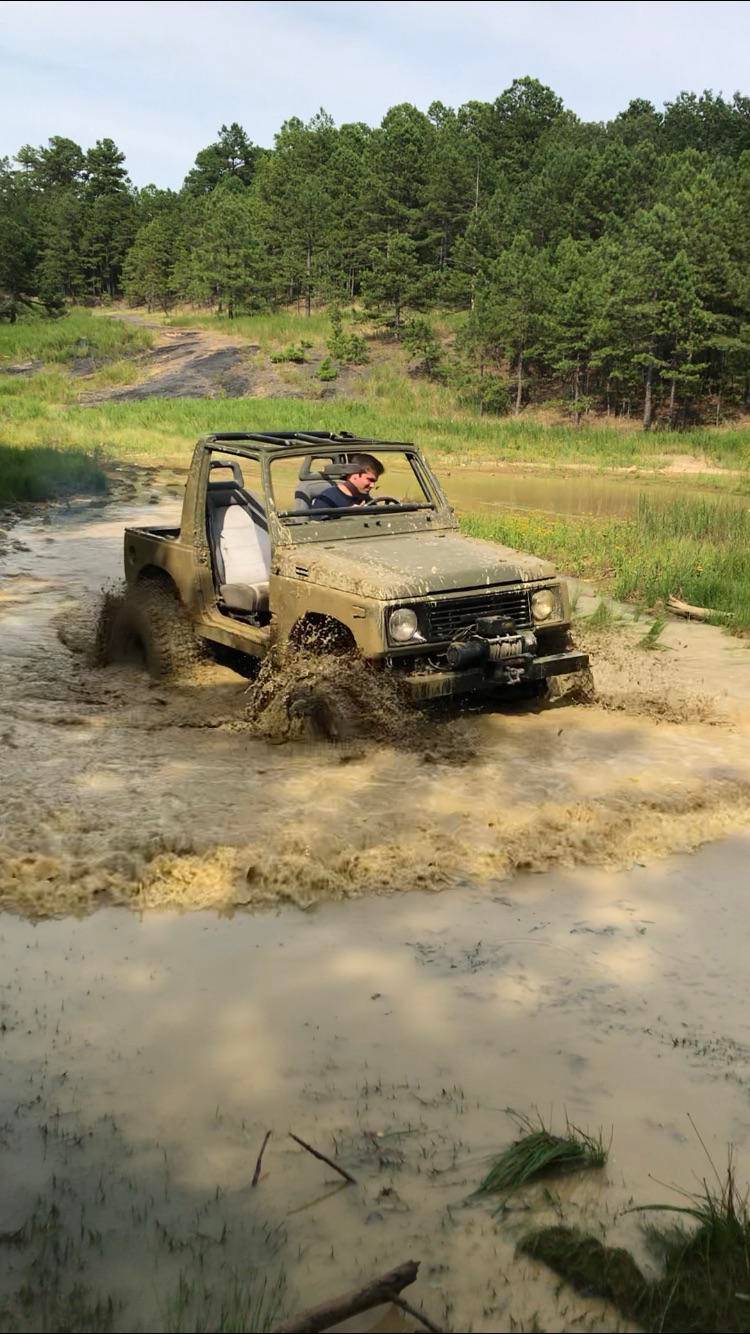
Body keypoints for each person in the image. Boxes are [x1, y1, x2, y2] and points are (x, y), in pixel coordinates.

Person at [311, 454, 384, 513]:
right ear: (355, 474)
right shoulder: (326, 500)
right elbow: (315, 529)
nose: (372, 485)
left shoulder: (368, 500)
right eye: (370, 480)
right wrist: (348, 514)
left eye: (374, 481)